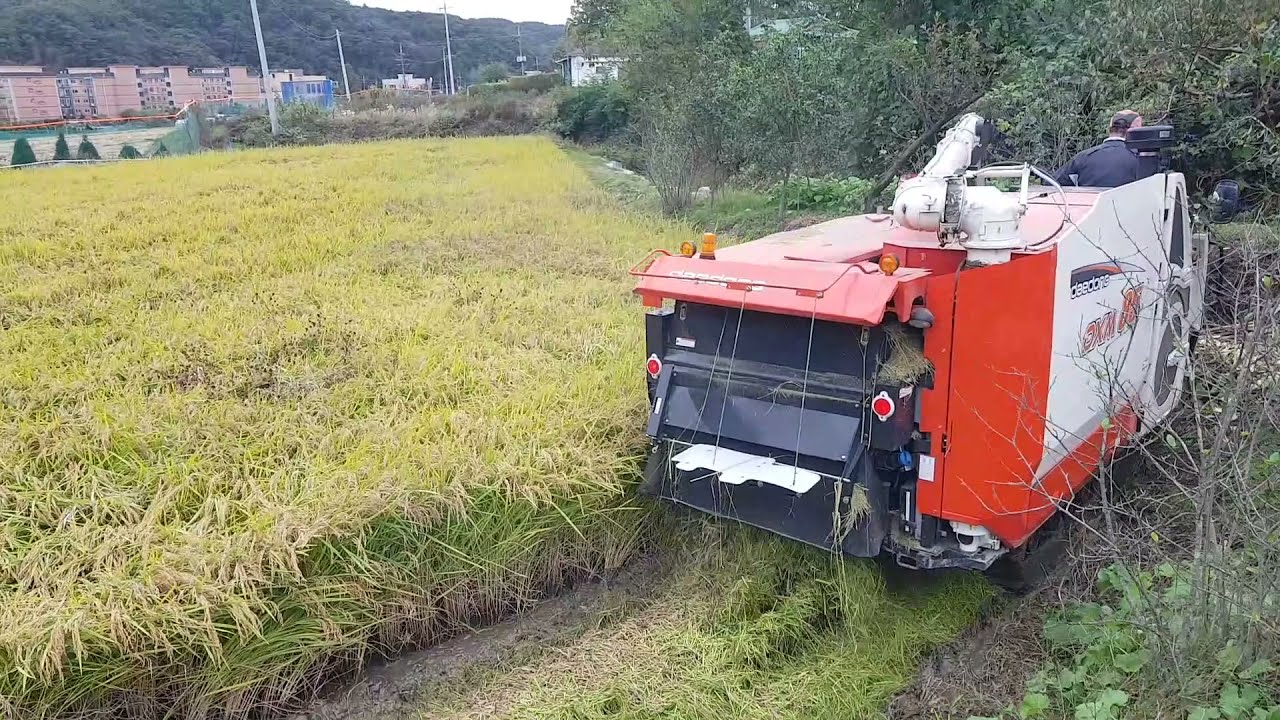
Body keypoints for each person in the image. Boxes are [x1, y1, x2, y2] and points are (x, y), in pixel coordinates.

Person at [1054, 110, 1143, 188]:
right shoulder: (1141, 160)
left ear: (1109, 129)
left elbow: (1052, 184)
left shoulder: (1083, 157)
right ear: (1134, 131)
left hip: (1089, 202)